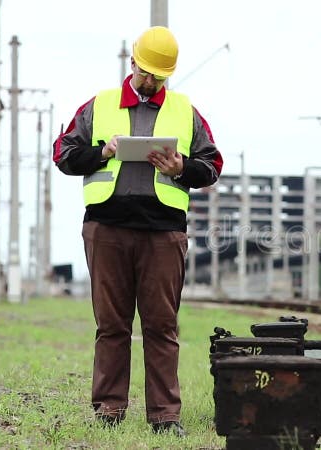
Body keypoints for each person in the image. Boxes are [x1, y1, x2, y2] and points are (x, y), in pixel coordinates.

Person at [53, 26, 223, 437]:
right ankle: (109, 410)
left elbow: (212, 165)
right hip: (107, 229)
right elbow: (63, 154)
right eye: (146, 72)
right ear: (132, 63)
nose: (150, 81)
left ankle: (165, 416)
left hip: (163, 233)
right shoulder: (99, 106)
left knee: (161, 326)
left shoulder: (185, 111)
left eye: (159, 76)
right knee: (111, 325)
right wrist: (103, 152)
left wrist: (182, 167)